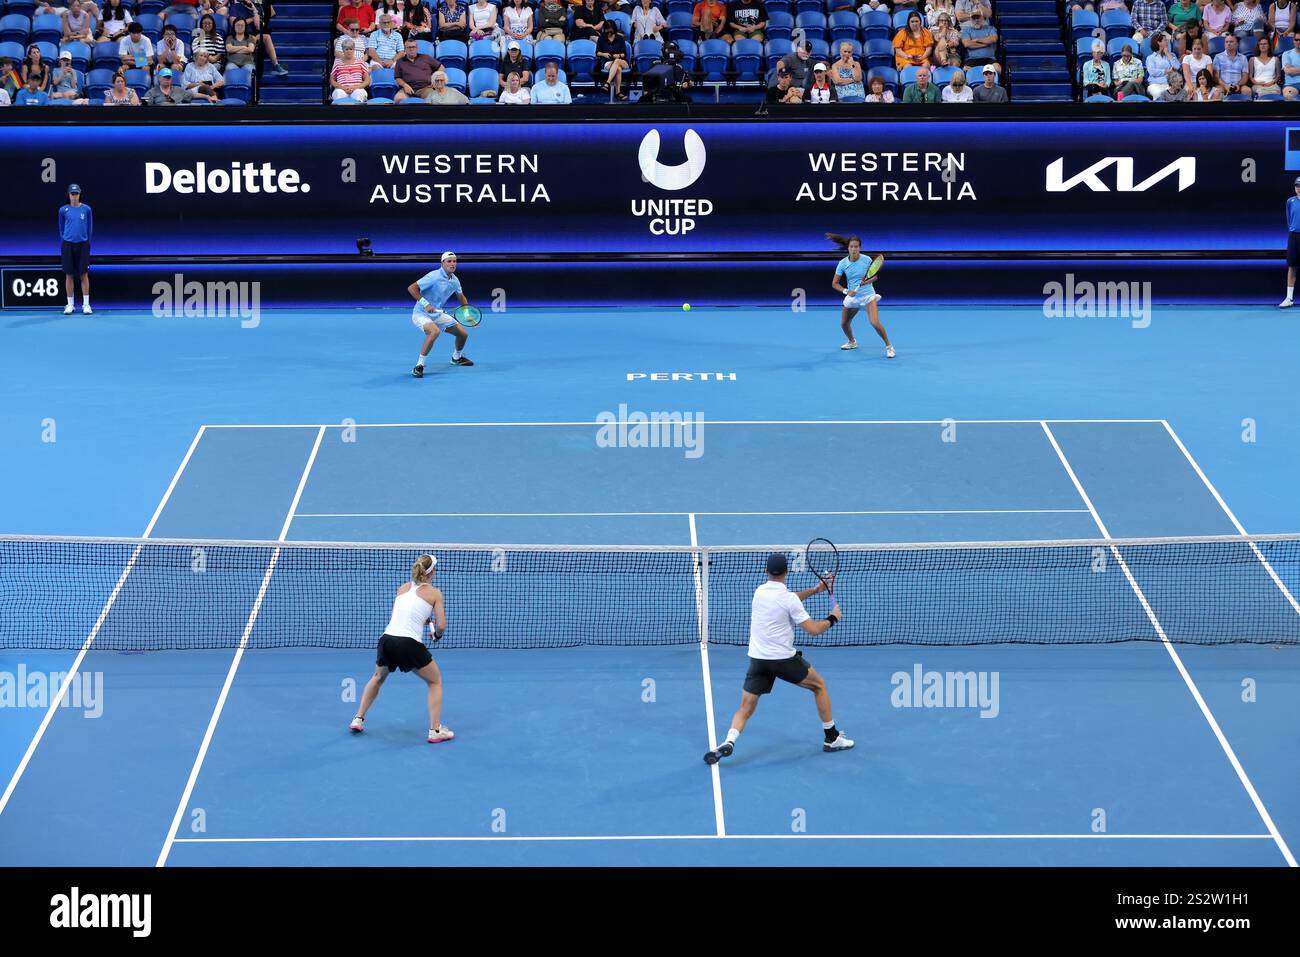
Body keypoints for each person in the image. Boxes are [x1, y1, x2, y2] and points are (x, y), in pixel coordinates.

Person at [702, 552, 852, 765]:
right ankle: (831, 738)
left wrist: (815, 590)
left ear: (766, 571)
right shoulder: (788, 599)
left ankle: (729, 741)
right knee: (819, 686)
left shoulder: (759, 592)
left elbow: (789, 600)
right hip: (783, 661)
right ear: (787, 572)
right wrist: (833, 618)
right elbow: (813, 630)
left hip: (758, 660)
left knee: (745, 707)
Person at [348, 554, 454, 745]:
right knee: (435, 681)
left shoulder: (403, 588)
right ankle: (435, 730)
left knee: (378, 677)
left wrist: (423, 619)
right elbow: (442, 626)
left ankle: (358, 718)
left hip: (387, 640)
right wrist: (437, 635)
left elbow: (399, 616)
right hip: (408, 645)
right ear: (432, 572)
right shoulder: (435, 593)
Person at [409, 251, 474, 377]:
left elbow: (461, 297)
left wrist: (466, 314)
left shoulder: (454, 280)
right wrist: (426, 304)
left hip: (437, 314)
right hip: (421, 313)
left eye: (454, 261)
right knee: (434, 332)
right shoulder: (433, 276)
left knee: (463, 334)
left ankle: (456, 358)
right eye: (449, 261)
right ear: (442, 263)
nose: (452, 264)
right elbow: (412, 288)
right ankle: (419, 365)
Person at [828, 232, 892, 355]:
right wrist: (846, 291)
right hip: (853, 296)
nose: (854, 249)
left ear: (860, 248)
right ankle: (852, 341)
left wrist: (866, 281)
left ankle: (889, 347)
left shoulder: (866, 260)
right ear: (848, 248)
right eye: (851, 246)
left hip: (868, 295)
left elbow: (875, 277)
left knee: (874, 322)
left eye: (856, 246)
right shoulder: (842, 263)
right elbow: (834, 283)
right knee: (844, 323)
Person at [59, 185, 93, 315]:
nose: (74, 196)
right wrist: (64, 241)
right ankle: (70, 304)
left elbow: (90, 229)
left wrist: (87, 243)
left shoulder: (87, 209)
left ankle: (86, 305)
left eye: (76, 193)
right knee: (69, 274)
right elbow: (61, 228)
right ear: (68, 195)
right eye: (72, 194)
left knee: (83, 274)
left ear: (80, 194)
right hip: (68, 245)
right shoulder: (63, 210)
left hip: (83, 245)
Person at [394, 37, 442, 101]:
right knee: (398, 98)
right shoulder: (400, 61)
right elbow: (398, 78)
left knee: (434, 98)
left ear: (417, 48)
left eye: (413, 47)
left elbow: (441, 68)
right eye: (409, 47)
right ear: (405, 49)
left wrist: (434, 80)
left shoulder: (426, 58)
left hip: (425, 88)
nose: (411, 49)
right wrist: (404, 85)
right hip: (408, 89)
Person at [1280, 175, 1300, 306]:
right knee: (1292, 267)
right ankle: (1289, 298)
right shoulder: (1290, 201)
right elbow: (1289, 219)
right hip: (1294, 236)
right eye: (1297, 186)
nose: (1299, 189)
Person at [596, 20, 629, 97]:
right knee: (618, 69)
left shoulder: (620, 38)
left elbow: (624, 54)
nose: (609, 32)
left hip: (622, 61)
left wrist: (618, 55)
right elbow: (597, 52)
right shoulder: (601, 38)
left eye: (611, 30)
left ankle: (607, 82)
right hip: (608, 62)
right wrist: (604, 54)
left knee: (617, 61)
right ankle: (618, 92)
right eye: (607, 30)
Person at [1145, 31, 1179, 97]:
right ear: (1159, 42)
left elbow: (1177, 67)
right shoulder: (1150, 58)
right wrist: (1166, 71)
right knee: (1159, 93)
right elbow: (1152, 72)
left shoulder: (1171, 55)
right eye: (1165, 40)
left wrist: (1167, 53)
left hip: (1170, 83)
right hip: (1155, 84)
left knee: (1173, 94)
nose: (1167, 42)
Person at [1282, 27, 1300, 96]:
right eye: (1296, 40)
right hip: (1291, 85)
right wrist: (1291, 70)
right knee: (1288, 96)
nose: (1298, 42)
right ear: (1293, 40)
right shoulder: (1286, 54)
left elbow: (1292, 71)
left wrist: (1294, 69)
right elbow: (1288, 71)